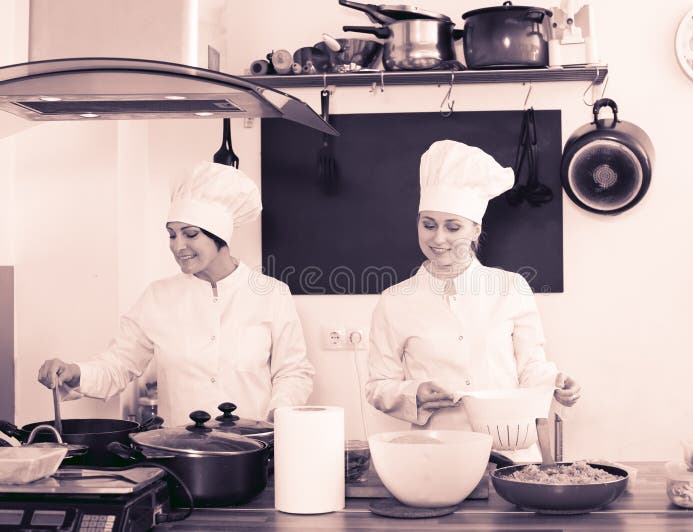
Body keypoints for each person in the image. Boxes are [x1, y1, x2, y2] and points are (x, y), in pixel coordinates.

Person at [38, 161, 314, 426]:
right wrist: (75, 372)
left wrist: (278, 414)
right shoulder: (158, 297)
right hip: (180, 448)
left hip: (253, 447)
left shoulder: (272, 294)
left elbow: (293, 372)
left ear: (220, 236)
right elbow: (119, 364)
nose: (178, 246)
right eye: (172, 234)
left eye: (190, 234)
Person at [366, 140, 580, 438]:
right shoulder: (394, 302)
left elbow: (531, 366)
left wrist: (556, 384)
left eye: (453, 227)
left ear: (475, 229)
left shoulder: (510, 288)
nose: (438, 238)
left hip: (507, 444)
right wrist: (414, 393)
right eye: (428, 225)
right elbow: (378, 385)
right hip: (436, 448)